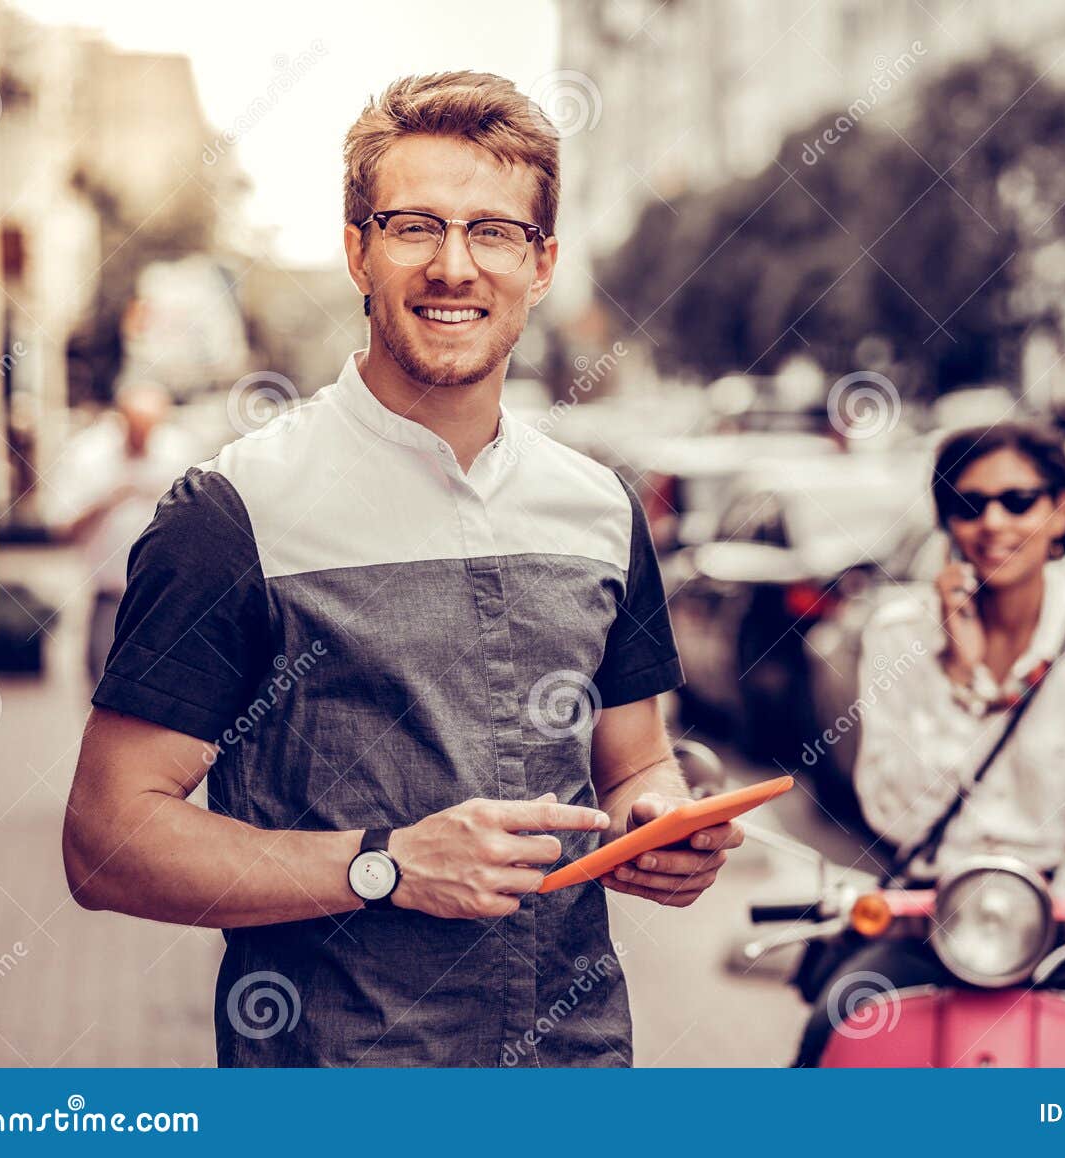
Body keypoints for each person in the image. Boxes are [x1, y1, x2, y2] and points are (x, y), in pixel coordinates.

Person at [61, 72, 740, 1068]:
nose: (454, 266)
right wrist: (383, 867)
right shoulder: (232, 513)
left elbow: (635, 760)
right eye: (414, 226)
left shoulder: (602, 508)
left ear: (541, 263)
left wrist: (661, 817)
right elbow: (107, 843)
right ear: (357, 252)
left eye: (494, 232)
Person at [795, 422, 1065, 1065]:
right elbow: (896, 813)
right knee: (831, 1038)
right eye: (968, 505)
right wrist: (961, 678)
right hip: (927, 914)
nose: (993, 521)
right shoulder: (899, 635)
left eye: (1018, 501)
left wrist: (1024, 940)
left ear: (1062, 511)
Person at [42, 382, 199, 683]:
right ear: (121, 420)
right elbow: (62, 527)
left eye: (151, 430)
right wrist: (110, 499)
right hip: (111, 597)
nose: (144, 440)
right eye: (137, 430)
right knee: (104, 686)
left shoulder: (180, 450)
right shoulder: (88, 454)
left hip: (167, 597)